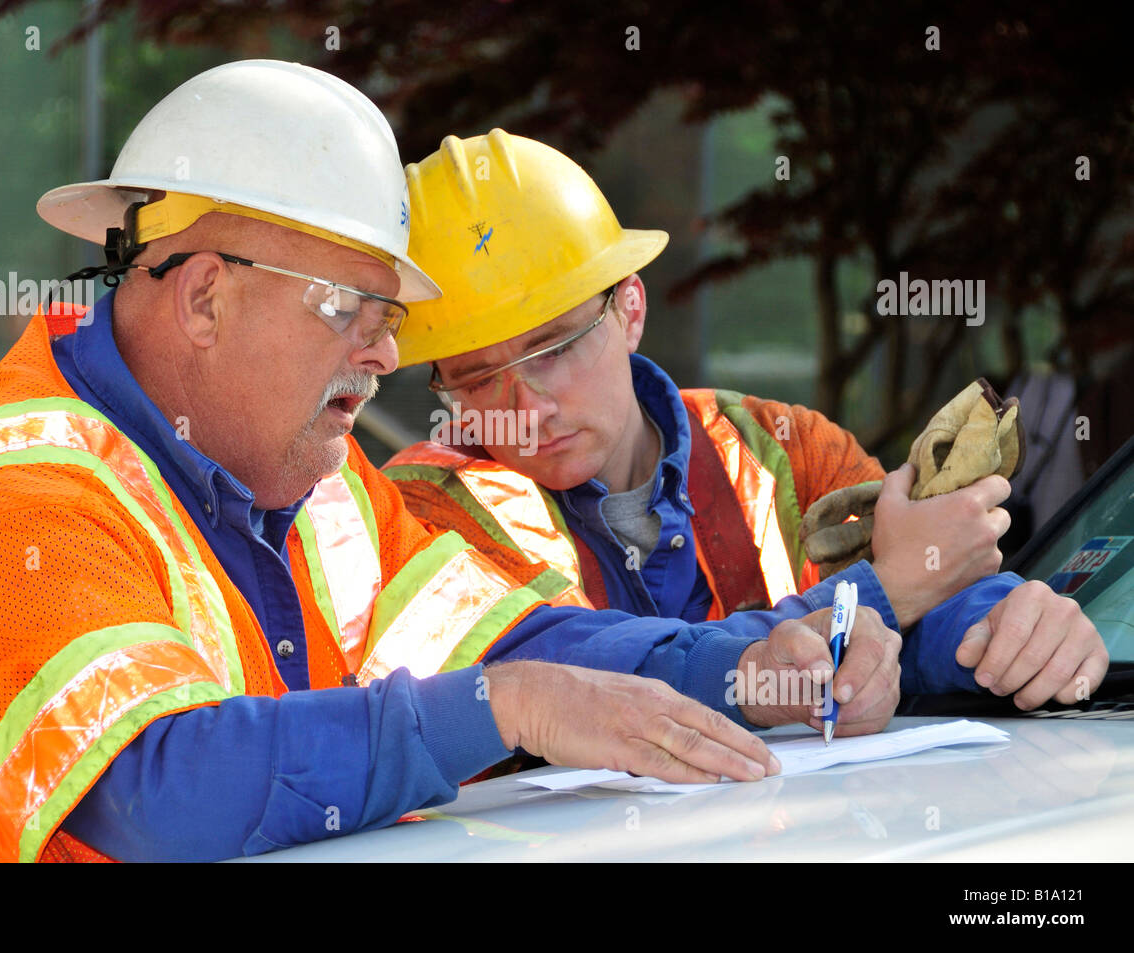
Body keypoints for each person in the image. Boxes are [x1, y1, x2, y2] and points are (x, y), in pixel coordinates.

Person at [0, 61, 912, 863]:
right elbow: (152, 788)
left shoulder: (310, 485)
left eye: (389, 317)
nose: (389, 355)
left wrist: (756, 670)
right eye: (350, 308)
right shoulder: (17, 499)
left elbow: (538, 642)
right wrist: (501, 704)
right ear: (204, 293)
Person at [385, 129, 1108, 711]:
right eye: (477, 376)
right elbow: (580, 678)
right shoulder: (418, 510)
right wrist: (884, 593)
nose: (527, 408)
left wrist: (1012, 629)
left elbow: (924, 622)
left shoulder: (783, 449)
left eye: (556, 346)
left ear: (630, 309)